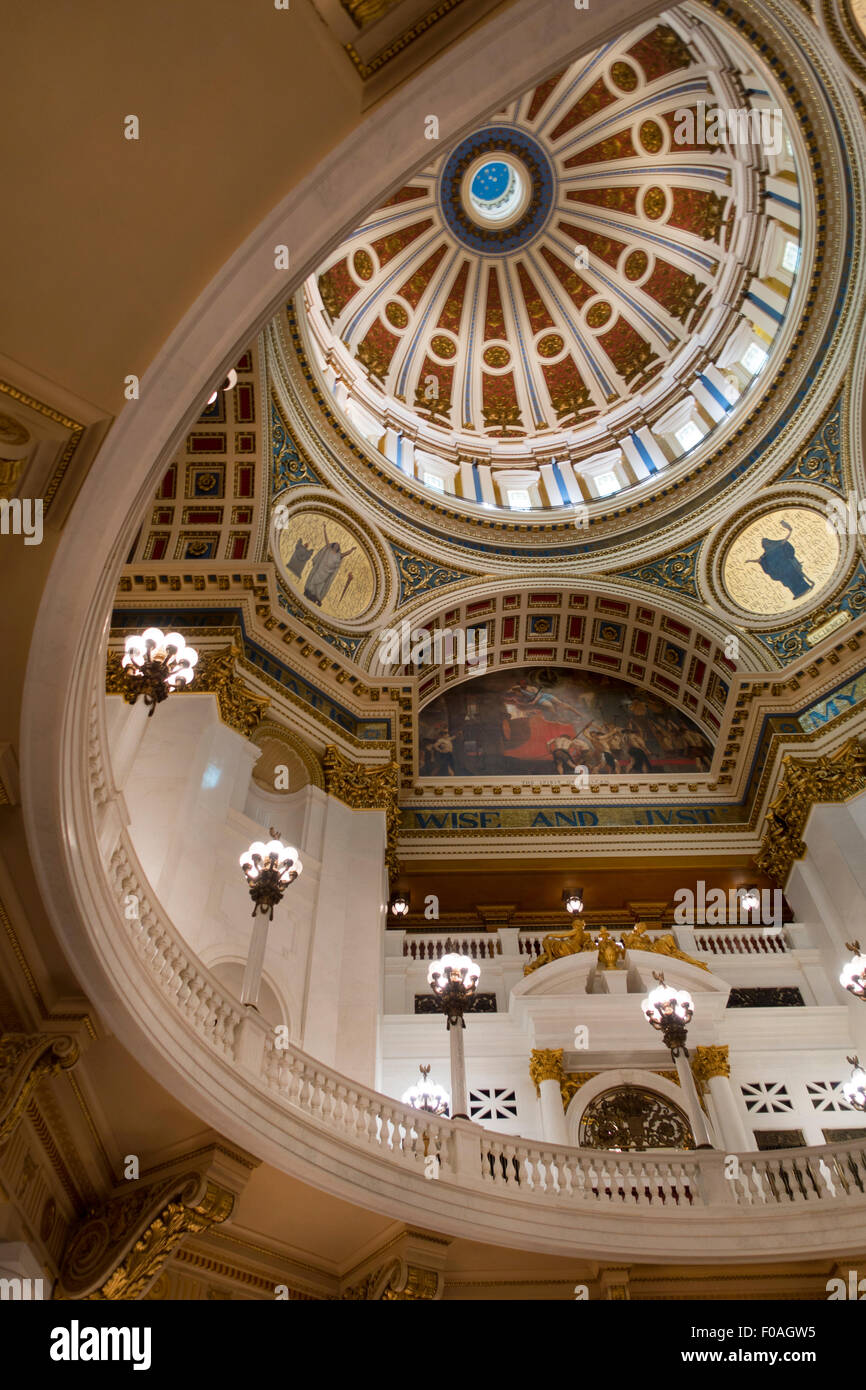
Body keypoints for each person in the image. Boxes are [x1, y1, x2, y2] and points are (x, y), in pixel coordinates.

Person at [744, 518, 813, 599]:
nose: (765, 544)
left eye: (766, 542)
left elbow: (785, 540)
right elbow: (759, 560)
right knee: (789, 581)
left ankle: (805, 588)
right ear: (763, 546)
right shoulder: (765, 555)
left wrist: (790, 531)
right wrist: (749, 561)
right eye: (764, 543)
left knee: (796, 577)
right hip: (781, 570)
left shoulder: (777, 545)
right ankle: (797, 593)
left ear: (769, 542)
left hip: (788, 566)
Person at [304, 523, 356, 605]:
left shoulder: (339, 555)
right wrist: (324, 529)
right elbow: (326, 539)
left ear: (338, 548)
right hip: (321, 568)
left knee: (321, 584)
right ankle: (309, 591)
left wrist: (351, 550)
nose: (336, 546)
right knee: (315, 579)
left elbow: (346, 553)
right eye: (335, 545)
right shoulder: (328, 548)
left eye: (337, 546)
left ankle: (316, 596)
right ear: (333, 545)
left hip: (327, 572)